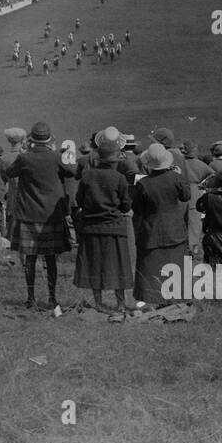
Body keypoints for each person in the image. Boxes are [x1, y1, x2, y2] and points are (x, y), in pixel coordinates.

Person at [4, 121, 72, 310]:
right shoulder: (57, 157)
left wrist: (24, 151)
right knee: (50, 259)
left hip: (29, 214)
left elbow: (10, 172)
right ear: (49, 139)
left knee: (30, 259)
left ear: (31, 139)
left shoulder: (25, 158)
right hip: (51, 214)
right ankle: (52, 297)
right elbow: (72, 171)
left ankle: (31, 297)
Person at [74, 128, 134, 312]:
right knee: (119, 267)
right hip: (114, 227)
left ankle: (98, 302)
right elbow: (125, 206)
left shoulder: (87, 176)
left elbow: (79, 200)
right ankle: (121, 303)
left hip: (91, 226)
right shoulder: (119, 178)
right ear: (115, 161)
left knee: (94, 265)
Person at [132, 142, 192, 305]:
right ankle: (175, 297)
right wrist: (180, 177)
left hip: (151, 228)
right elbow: (186, 196)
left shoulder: (143, 184)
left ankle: (150, 298)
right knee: (175, 263)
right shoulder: (175, 178)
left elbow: (136, 208)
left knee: (150, 265)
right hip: (174, 227)